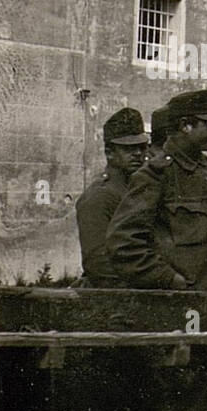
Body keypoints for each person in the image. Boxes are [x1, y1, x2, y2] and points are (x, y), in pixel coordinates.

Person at [107, 90, 207, 290]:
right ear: (185, 125)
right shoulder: (156, 175)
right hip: (175, 302)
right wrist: (169, 279)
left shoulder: (205, 170)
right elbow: (122, 244)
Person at [75, 108, 150, 287]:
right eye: (128, 148)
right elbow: (98, 263)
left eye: (141, 147)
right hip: (116, 295)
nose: (138, 154)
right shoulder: (99, 197)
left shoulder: (137, 189)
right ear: (109, 152)